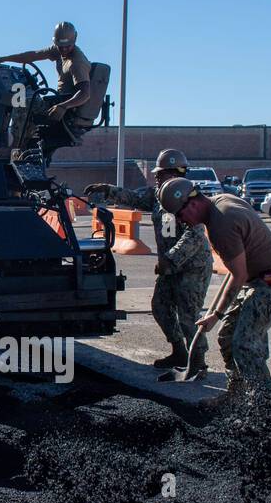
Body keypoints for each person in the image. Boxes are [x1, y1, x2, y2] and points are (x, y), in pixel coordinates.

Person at [159, 178, 271, 401]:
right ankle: (236, 397)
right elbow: (236, 272)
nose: (182, 222)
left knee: (244, 344)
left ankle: (266, 407)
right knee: (227, 335)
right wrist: (214, 312)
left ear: (191, 204)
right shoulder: (221, 202)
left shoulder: (221, 224)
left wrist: (216, 315)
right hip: (256, 280)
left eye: (180, 216)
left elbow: (238, 275)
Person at [85, 149, 214, 369]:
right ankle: (179, 351)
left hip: (192, 266)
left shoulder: (190, 197)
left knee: (188, 315)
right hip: (169, 266)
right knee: (160, 306)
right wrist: (108, 191)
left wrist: (171, 259)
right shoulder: (158, 194)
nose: (156, 176)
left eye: (161, 173)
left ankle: (198, 360)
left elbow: (195, 234)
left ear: (176, 173)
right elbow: (134, 198)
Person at [0, 22, 92, 144]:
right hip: (58, 102)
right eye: (60, 46)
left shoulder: (77, 62)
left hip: (65, 108)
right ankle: (25, 144)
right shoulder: (59, 50)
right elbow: (33, 55)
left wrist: (63, 106)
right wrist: (3, 59)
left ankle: (15, 147)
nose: (63, 49)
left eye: (67, 46)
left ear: (75, 39)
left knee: (21, 100)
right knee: (30, 99)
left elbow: (85, 93)